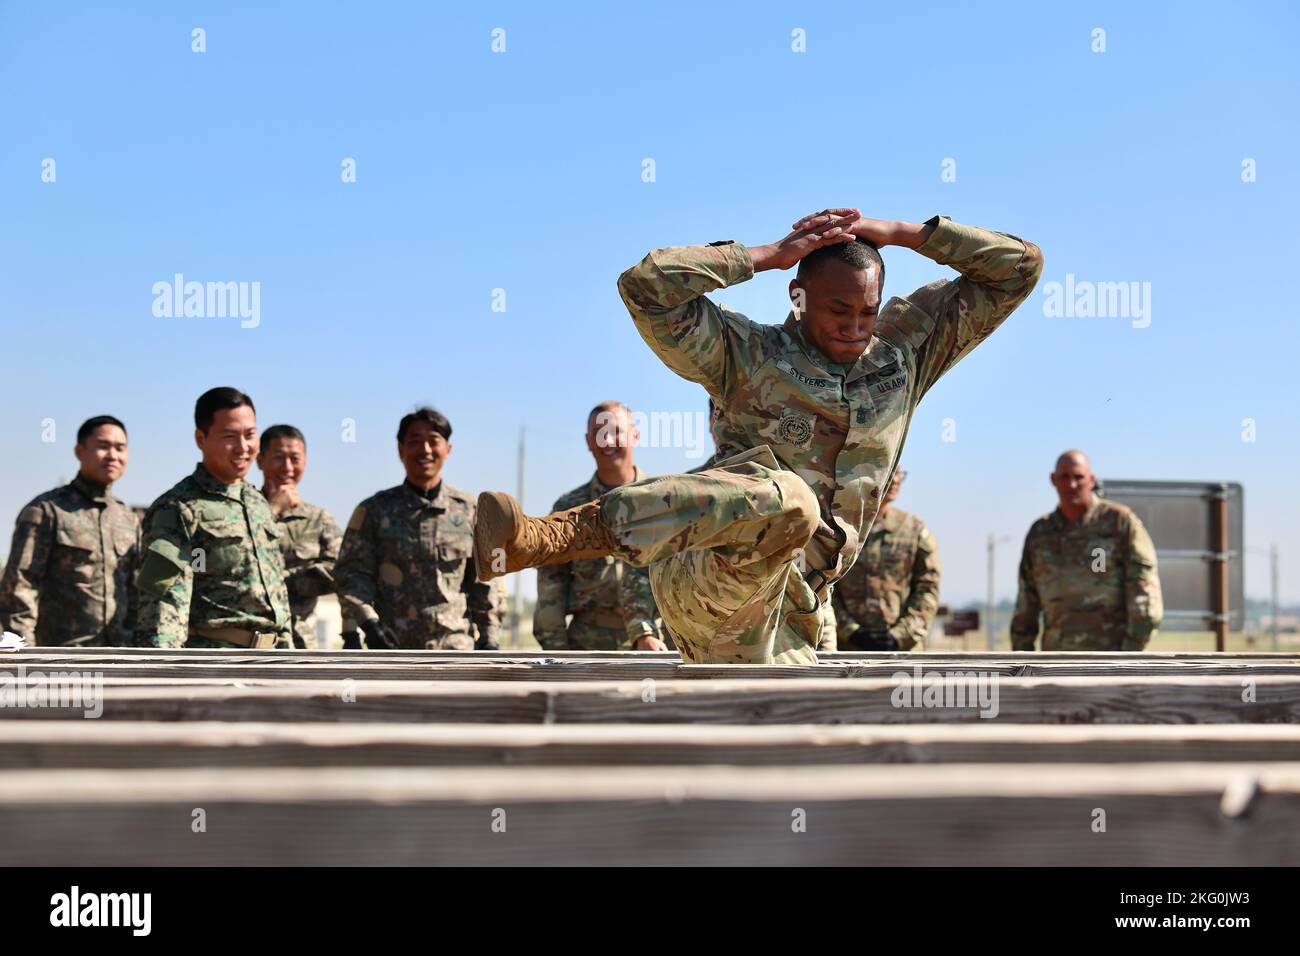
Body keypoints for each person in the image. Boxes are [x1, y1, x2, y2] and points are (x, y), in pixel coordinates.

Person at [475, 207, 1042, 664]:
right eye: (837, 310)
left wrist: (897, 233)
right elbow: (645, 289)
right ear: (798, 298)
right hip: (703, 579)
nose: (853, 327)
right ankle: (547, 537)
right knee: (791, 500)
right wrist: (766, 256)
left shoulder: (905, 354)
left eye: (867, 313)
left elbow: (1020, 268)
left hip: (792, 614)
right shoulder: (747, 356)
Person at [335, 407, 503, 650]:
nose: (425, 450)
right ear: (400, 450)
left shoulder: (472, 512)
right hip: (390, 649)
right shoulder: (374, 511)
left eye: (433, 441)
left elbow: (486, 582)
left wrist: (490, 640)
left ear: (448, 449)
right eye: (415, 441)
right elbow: (350, 575)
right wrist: (369, 624)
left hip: (455, 651)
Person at [137, 388, 291, 649]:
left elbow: (277, 593)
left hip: (274, 658)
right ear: (201, 438)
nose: (243, 447)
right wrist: (162, 671)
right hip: (217, 662)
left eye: (250, 435)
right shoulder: (178, 508)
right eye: (229, 436)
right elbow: (164, 601)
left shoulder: (256, 502)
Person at [533, 401, 665, 650]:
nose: (607, 440)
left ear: (635, 436)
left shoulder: (661, 500)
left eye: (616, 431)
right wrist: (558, 657)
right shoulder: (569, 508)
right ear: (587, 441)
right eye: (599, 433)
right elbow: (551, 588)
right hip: (588, 646)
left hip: (655, 643)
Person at [0, 415, 140, 646]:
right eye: (103, 446)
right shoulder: (47, 511)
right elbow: (20, 588)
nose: (113, 455)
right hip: (61, 660)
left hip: (120, 656)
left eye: (120, 448)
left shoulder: (128, 519)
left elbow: (135, 591)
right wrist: (25, 657)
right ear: (80, 451)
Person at [1010, 450, 1163, 651]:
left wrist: (1128, 657)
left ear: (1091, 480)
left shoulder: (1119, 524)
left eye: (1078, 477)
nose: (1072, 484)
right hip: (1055, 664)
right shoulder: (1040, 533)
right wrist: (1023, 662)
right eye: (1064, 477)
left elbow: (1145, 596)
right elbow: (1026, 605)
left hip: (1111, 663)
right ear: (1053, 480)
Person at [831, 468, 940, 651]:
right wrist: (850, 631)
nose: (896, 480)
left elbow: (928, 588)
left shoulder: (914, 530)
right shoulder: (842, 527)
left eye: (900, 474)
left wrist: (900, 636)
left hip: (901, 653)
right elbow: (824, 586)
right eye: (891, 472)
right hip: (847, 653)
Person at [256, 425, 343, 649]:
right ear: (260, 461)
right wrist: (271, 511)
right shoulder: (241, 513)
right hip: (249, 643)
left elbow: (342, 570)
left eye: (295, 458)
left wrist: (281, 581)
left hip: (302, 643)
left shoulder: (319, 519)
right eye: (278, 458)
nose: (287, 467)